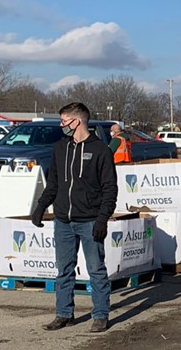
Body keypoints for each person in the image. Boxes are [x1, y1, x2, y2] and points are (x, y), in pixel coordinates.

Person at [31, 102, 118, 333]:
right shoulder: (61, 148)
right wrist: (41, 207)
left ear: (76, 121)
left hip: (89, 220)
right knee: (64, 269)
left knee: (96, 269)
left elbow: (110, 189)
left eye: (64, 121)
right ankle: (64, 313)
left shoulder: (101, 150)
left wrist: (102, 219)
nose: (62, 126)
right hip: (63, 221)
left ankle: (100, 315)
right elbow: (54, 183)